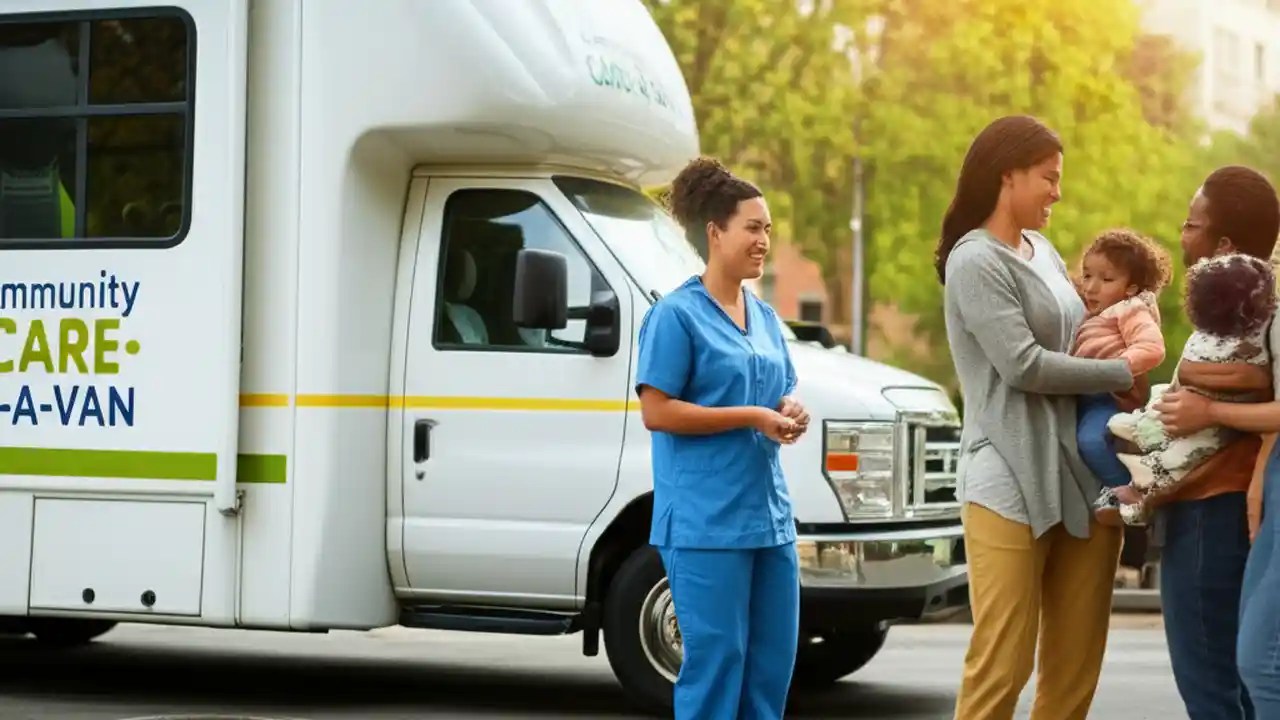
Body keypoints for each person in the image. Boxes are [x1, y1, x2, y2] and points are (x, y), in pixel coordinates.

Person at [938, 115, 1136, 720]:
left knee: (1074, 670)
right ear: (1008, 176)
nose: (1057, 192)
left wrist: (1130, 333)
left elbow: (1081, 336)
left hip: (1083, 476)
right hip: (1007, 482)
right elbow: (1023, 365)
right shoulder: (975, 261)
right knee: (1004, 664)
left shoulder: (1043, 250)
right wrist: (1121, 373)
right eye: (1048, 179)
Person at [635, 156, 810, 719]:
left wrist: (788, 410)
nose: (764, 241)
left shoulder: (761, 315)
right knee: (717, 665)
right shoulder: (676, 316)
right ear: (715, 232)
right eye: (753, 228)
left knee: (770, 667)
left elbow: (778, 390)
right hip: (705, 523)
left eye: (768, 230)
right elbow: (657, 411)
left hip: (768, 521)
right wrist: (752, 417)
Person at [1144, 165, 1280, 720]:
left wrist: (1197, 405)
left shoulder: (1242, 321)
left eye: (1190, 224)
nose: (1182, 235)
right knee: (1242, 679)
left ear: (1221, 243)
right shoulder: (1255, 310)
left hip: (1207, 507)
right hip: (1237, 503)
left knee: (1210, 683)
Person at [1100, 253, 1276, 527]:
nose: (1184, 236)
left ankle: (1138, 495)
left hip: (1216, 469)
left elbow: (1255, 384)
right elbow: (1185, 376)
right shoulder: (1220, 334)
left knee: (1174, 457)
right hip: (1192, 426)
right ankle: (1140, 472)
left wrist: (1209, 407)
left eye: (1191, 226)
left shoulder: (1261, 333)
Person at [1069, 228, 1170, 511]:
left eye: (1106, 279)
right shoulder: (1096, 311)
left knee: (1089, 441)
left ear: (1131, 288)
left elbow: (1152, 348)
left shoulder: (1130, 309)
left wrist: (1115, 369)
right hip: (1083, 394)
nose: (1091, 287)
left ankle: (1130, 493)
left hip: (1108, 397)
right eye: (1087, 275)